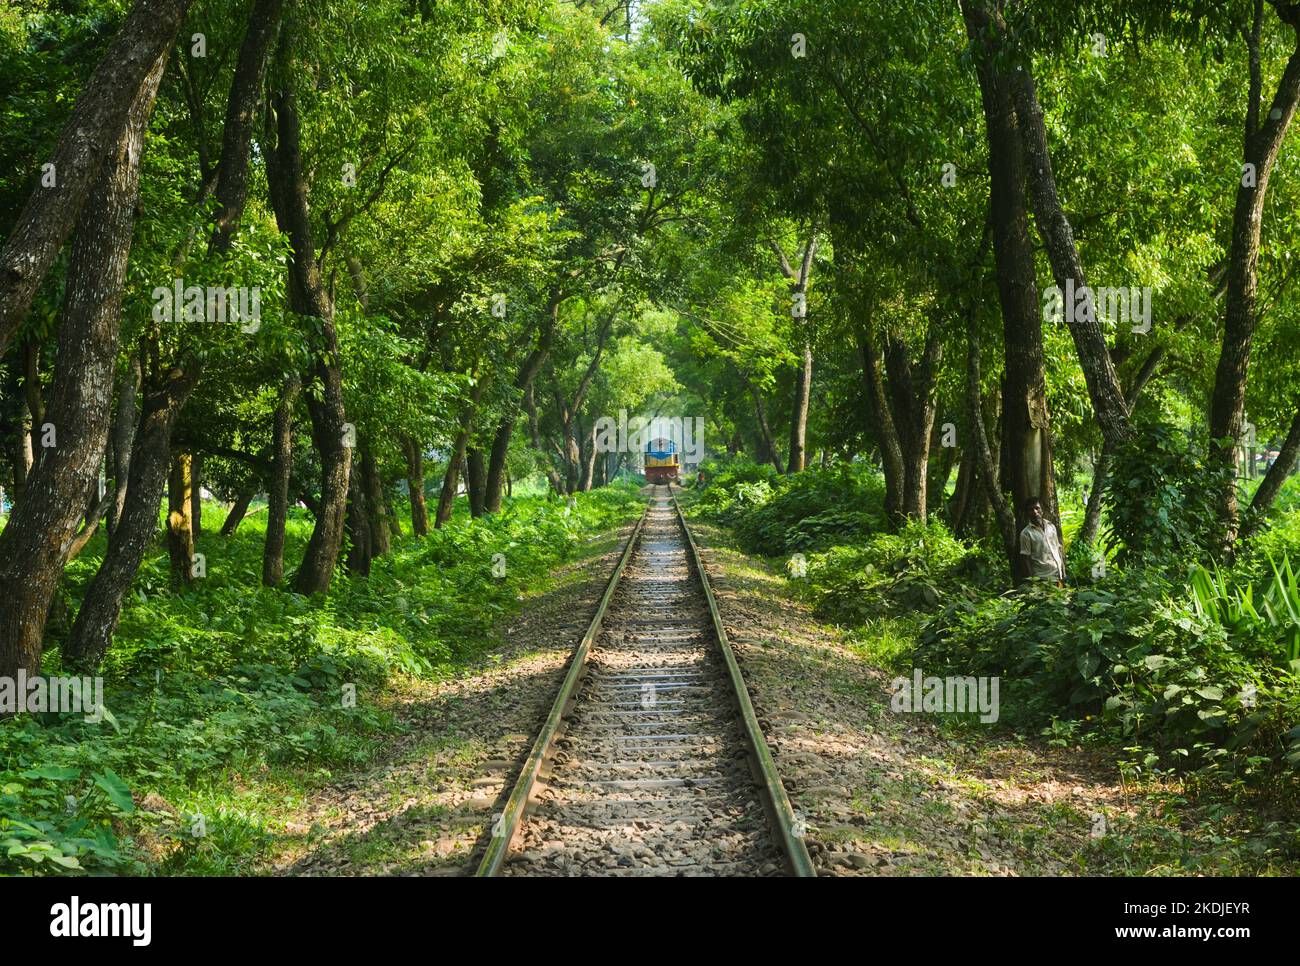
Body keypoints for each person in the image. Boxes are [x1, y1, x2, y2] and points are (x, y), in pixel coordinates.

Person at [1018, 496, 1064, 585]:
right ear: (1027, 513)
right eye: (1031, 510)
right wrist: (1032, 581)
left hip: (1058, 576)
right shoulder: (1026, 533)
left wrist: (1063, 573)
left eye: (1037, 508)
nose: (1035, 512)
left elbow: (1058, 550)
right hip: (1042, 579)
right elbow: (1025, 559)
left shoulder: (1051, 526)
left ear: (1042, 510)